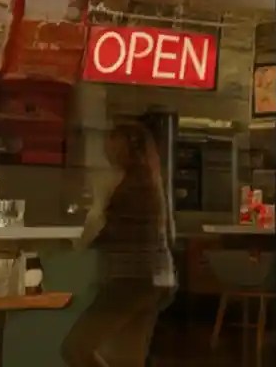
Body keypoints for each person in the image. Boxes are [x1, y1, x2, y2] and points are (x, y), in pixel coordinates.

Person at [62, 116, 176, 367]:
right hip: (158, 278)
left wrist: (76, 245)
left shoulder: (115, 180)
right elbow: (169, 233)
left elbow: (95, 223)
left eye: (111, 143)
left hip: (129, 279)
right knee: (128, 360)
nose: (106, 149)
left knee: (75, 348)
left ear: (121, 148)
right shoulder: (153, 180)